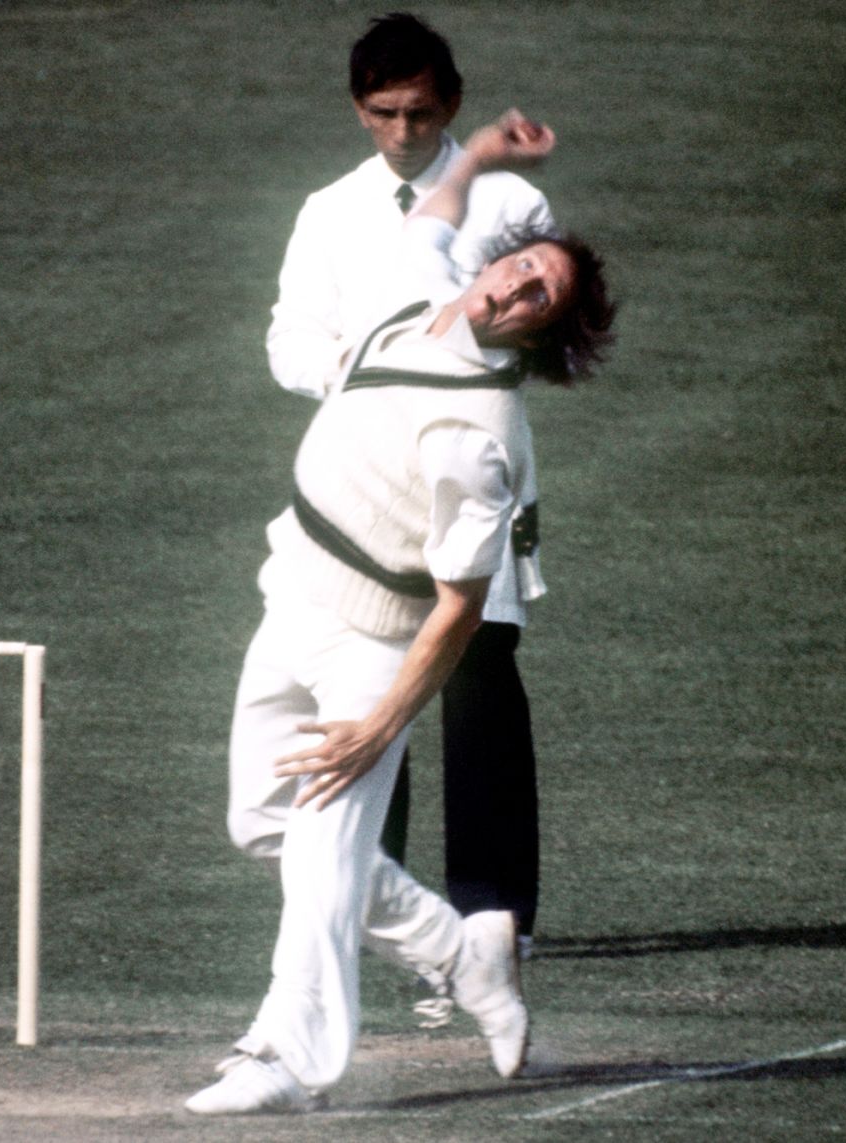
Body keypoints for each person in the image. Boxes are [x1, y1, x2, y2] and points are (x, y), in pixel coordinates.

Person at [185, 111, 615, 1115]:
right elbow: (436, 213)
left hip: (378, 642)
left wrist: (382, 725)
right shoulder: (417, 287)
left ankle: (290, 1059)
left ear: (540, 335)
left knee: (326, 852)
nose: (516, 288)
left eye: (540, 296)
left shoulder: (481, 437)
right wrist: (484, 152)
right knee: (260, 820)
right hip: (295, 590)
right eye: (522, 268)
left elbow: (460, 609)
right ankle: (461, 952)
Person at [266, 12, 551, 966]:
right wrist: (361, 373)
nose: (402, 131)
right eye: (383, 113)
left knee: (478, 680)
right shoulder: (328, 210)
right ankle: (365, 899)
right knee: (361, 680)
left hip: (469, 469)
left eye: (420, 112)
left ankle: (495, 916)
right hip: (370, 489)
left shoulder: (507, 201)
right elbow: (290, 340)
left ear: (452, 103)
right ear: (358, 109)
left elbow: (537, 327)